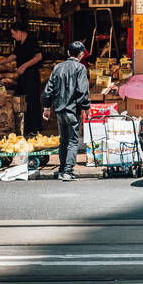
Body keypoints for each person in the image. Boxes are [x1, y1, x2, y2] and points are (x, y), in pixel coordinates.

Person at [43, 40, 91, 181]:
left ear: (68, 53)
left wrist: (46, 107)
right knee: (72, 141)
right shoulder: (80, 68)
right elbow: (82, 91)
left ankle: (62, 168)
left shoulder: (57, 67)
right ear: (81, 54)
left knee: (63, 140)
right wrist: (86, 107)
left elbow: (48, 90)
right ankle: (68, 171)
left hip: (59, 111)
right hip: (72, 110)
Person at [10, 22, 44, 137]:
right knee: (23, 101)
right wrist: (0, 62)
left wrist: (25, 65)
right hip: (22, 77)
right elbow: (14, 55)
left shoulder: (31, 41)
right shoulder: (19, 43)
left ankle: (35, 129)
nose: (13, 36)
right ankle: (25, 128)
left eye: (14, 34)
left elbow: (38, 57)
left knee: (33, 101)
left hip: (31, 76)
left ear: (19, 32)